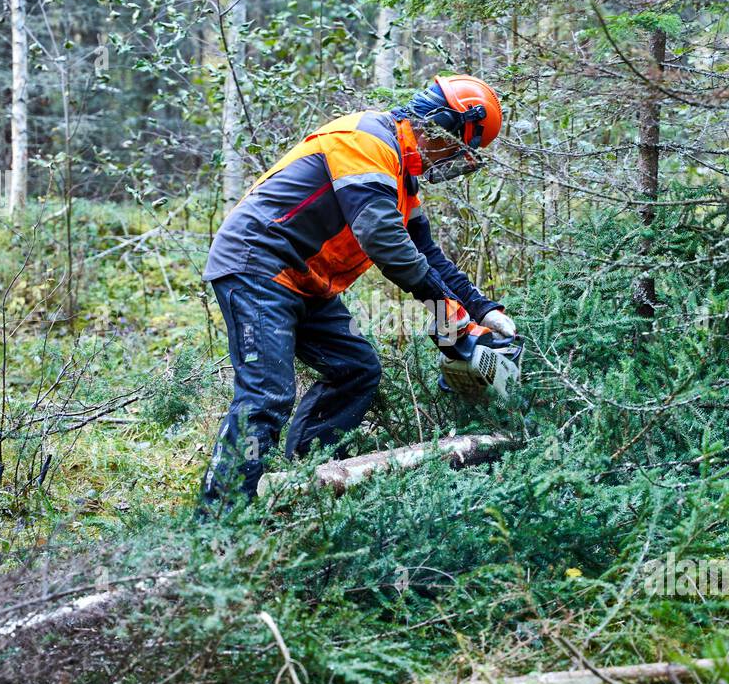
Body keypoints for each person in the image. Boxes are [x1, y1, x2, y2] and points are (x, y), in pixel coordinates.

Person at [199, 74, 517, 503]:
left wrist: (481, 311)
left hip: (306, 282)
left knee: (356, 370)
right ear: (441, 126)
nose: (457, 160)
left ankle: (304, 482)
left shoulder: (400, 177)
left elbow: (428, 255)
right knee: (267, 394)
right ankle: (220, 517)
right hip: (258, 264)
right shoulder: (366, 141)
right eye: (460, 147)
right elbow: (384, 240)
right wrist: (450, 320)